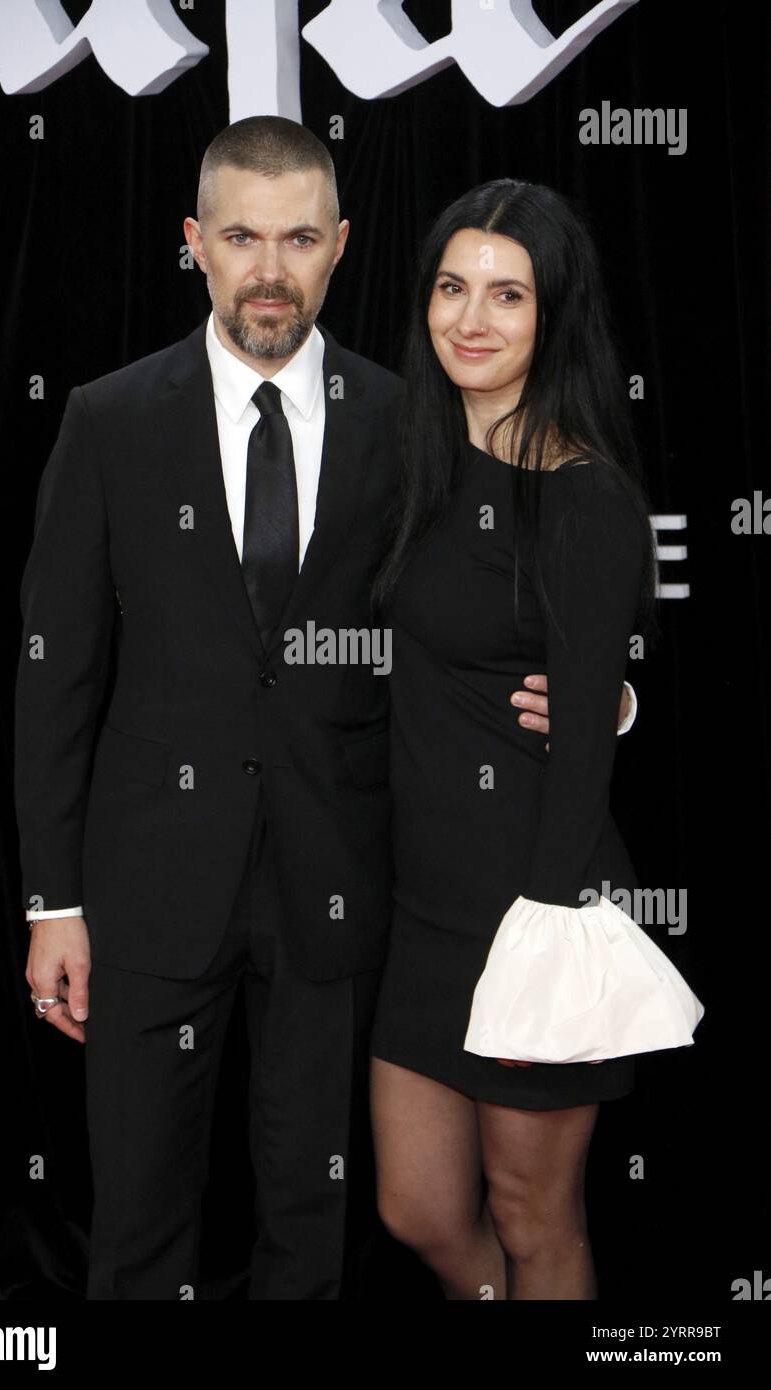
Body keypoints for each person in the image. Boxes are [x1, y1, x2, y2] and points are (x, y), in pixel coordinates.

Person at [15, 123, 635, 1301]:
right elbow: (56, 676)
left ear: (340, 247)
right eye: (240, 236)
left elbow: (502, 605)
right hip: (147, 886)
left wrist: (608, 689)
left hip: (340, 883)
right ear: (192, 244)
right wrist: (55, 899)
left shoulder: (409, 424)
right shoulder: (108, 419)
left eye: (298, 238)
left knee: (315, 1223)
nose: (268, 268)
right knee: (137, 1227)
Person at [368, 179, 703, 1300]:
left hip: (531, 906)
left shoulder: (584, 500)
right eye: (451, 287)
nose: (472, 317)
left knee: (532, 1216)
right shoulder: (412, 462)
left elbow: (586, 752)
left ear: (552, 315)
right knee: (414, 1208)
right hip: (421, 912)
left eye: (506, 295)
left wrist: (544, 933)